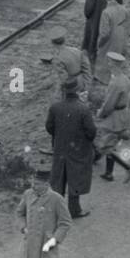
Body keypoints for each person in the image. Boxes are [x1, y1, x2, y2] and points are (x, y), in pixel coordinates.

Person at [17, 170, 72, 258]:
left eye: (37, 184)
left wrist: (54, 240)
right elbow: (20, 213)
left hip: (46, 243)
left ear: (46, 184)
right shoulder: (28, 195)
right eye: (33, 183)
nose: (34, 186)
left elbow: (65, 223)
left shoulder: (56, 199)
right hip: (30, 242)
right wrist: (23, 227)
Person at [46, 77, 95, 219]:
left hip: (60, 148)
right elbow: (91, 131)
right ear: (77, 91)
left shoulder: (55, 107)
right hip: (78, 150)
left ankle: (57, 211)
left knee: (59, 178)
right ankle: (74, 209)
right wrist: (85, 141)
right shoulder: (83, 109)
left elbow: (49, 127)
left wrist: (59, 136)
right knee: (76, 178)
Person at [95, 53, 130, 182]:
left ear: (113, 64)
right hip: (123, 114)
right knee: (111, 143)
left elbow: (109, 104)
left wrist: (100, 114)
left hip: (114, 117)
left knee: (108, 145)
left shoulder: (115, 82)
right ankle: (108, 172)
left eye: (109, 61)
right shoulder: (124, 79)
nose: (108, 63)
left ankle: (127, 167)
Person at [50, 32, 90, 99]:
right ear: (64, 40)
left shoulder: (57, 59)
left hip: (71, 84)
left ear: (53, 43)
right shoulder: (76, 50)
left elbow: (63, 78)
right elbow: (87, 67)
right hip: (82, 79)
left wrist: (59, 91)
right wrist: (87, 83)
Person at [81, 0, 109, 64]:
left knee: (92, 38)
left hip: (94, 20)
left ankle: (91, 56)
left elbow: (88, 8)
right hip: (109, 23)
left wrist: (88, 15)